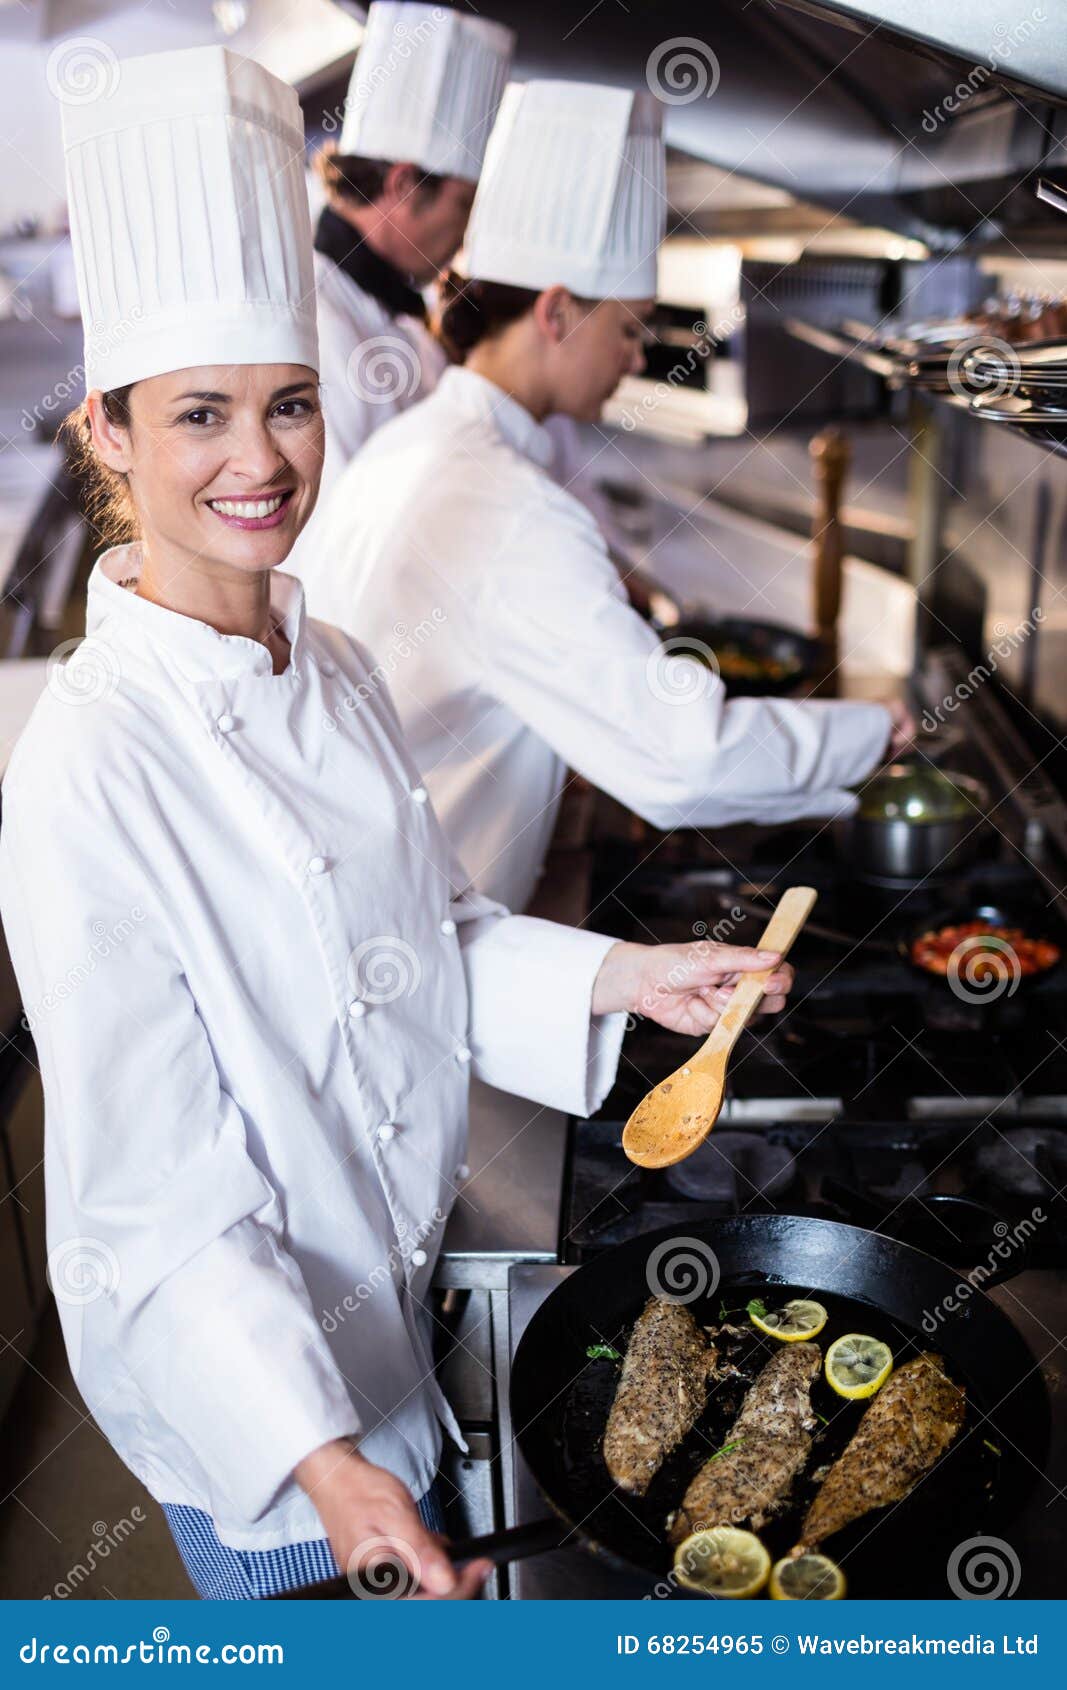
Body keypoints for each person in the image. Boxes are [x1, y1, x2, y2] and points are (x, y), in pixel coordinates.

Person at [0, 47, 795, 1602]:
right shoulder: (90, 764)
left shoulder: (335, 659)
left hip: (393, 1319)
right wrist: (318, 1457)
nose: (260, 461)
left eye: (289, 405)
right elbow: (151, 1191)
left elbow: (430, 938)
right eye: (199, 416)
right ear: (108, 431)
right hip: (259, 1419)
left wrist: (622, 977)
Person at [297, 81, 912, 914]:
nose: (633, 360)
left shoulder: (424, 442)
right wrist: (874, 731)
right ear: (556, 312)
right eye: (628, 328)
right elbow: (682, 760)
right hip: (411, 937)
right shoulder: (503, 503)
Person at [304, 3, 513, 507]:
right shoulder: (318, 323)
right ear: (402, 185)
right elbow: (337, 531)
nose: (464, 235)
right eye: (463, 204)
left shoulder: (396, 310)